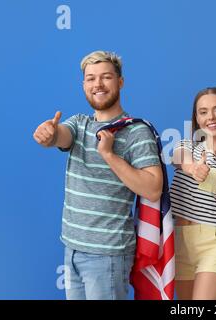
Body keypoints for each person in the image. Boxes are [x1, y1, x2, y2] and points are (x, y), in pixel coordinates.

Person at [32, 51, 163, 300]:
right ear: (83, 85)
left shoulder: (137, 131)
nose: (98, 84)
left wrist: (110, 155)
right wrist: (49, 134)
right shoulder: (79, 124)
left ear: (120, 82)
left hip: (108, 255)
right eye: (90, 79)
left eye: (106, 77)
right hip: (72, 248)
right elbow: (61, 135)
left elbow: (153, 188)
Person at [170, 87, 216, 300]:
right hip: (179, 240)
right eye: (203, 112)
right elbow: (179, 158)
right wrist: (193, 168)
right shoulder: (185, 146)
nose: (210, 117)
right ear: (196, 118)